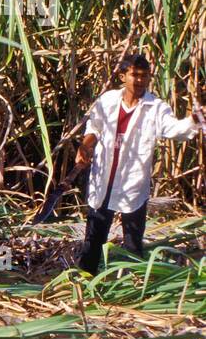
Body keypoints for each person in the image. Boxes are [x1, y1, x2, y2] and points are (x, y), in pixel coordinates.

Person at [74, 53, 203, 274]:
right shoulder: (107, 101)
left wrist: (194, 119)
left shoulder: (156, 107)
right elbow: (94, 128)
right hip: (103, 178)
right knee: (93, 238)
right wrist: (85, 146)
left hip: (133, 183)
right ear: (123, 76)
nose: (139, 80)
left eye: (144, 76)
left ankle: (134, 289)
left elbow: (174, 130)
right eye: (134, 75)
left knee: (133, 243)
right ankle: (86, 282)